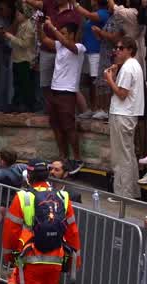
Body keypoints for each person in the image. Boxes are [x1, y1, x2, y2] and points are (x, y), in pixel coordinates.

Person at [43, 20, 87, 173]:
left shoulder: (79, 48)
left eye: (64, 33)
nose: (61, 36)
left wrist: (52, 27)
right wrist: (39, 24)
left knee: (69, 127)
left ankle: (77, 159)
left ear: (73, 35)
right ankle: (63, 157)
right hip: (54, 91)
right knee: (56, 126)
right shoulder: (59, 46)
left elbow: (64, 42)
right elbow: (44, 39)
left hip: (67, 92)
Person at [104, 37, 145, 198]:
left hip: (123, 114)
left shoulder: (128, 67)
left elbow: (122, 94)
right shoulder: (132, 66)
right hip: (127, 114)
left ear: (130, 50)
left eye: (121, 48)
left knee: (121, 157)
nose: (117, 51)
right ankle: (133, 192)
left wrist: (109, 80)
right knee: (128, 155)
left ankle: (123, 195)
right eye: (117, 48)